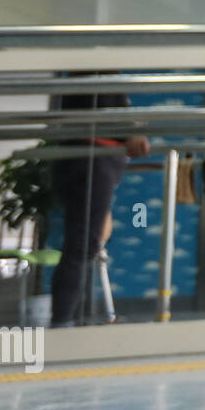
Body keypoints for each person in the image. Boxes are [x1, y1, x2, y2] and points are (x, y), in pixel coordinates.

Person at [49, 86, 150, 327]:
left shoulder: (92, 74)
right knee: (83, 244)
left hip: (88, 156)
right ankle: (62, 322)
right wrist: (130, 134)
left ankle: (65, 320)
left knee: (83, 243)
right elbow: (103, 106)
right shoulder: (98, 72)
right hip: (94, 156)